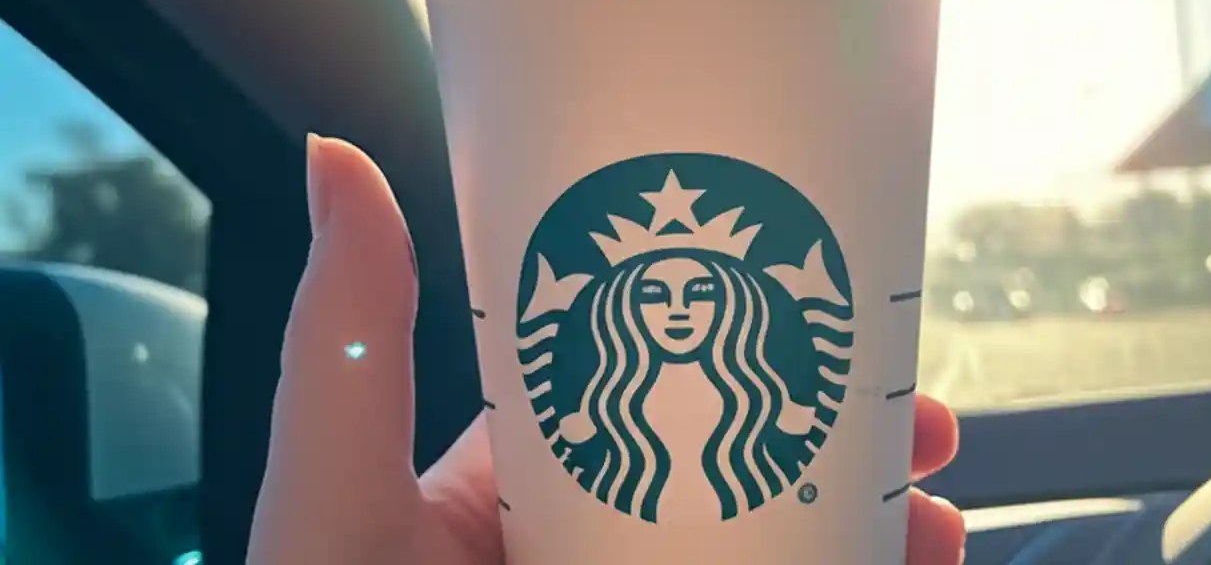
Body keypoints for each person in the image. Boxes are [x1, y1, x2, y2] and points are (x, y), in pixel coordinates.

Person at [247, 135, 968, 564]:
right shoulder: (603, 423)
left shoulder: (765, 419)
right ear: (621, 308)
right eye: (655, 295)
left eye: (703, 293)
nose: (680, 311)